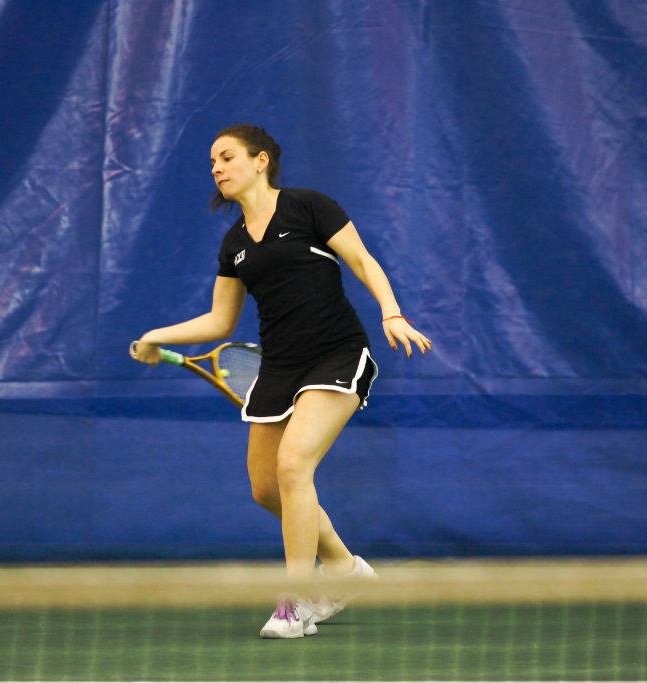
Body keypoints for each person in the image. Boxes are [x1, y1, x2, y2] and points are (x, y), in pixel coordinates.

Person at [131, 125, 432, 639]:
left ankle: (295, 601)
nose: (217, 168)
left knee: (294, 465)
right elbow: (220, 321)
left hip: (336, 354)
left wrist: (392, 312)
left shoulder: (308, 207)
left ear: (261, 160)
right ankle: (344, 568)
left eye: (227, 157)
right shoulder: (234, 244)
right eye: (212, 162)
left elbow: (362, 260)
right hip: (279, 366)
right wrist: (156, 336)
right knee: (267, 488)